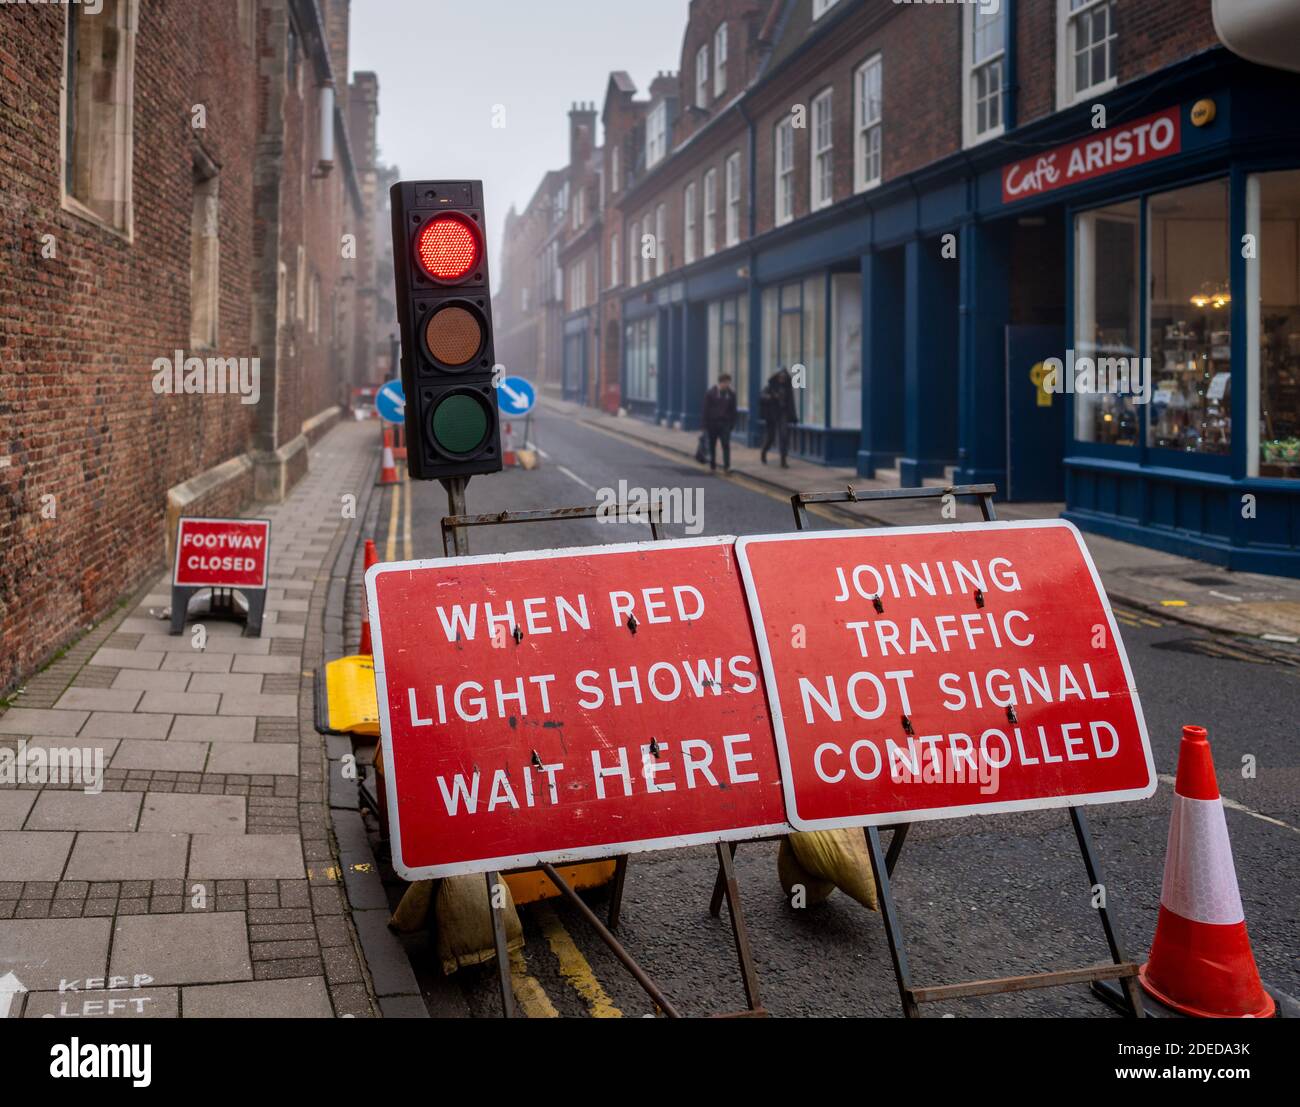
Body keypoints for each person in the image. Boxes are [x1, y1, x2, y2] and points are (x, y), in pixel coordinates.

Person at [760, 368, 797, 467]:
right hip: (772, 414)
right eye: (780, 377)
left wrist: (793, 416)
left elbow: (791, 403)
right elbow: (762, 396)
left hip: (783, 413)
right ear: (776, 377)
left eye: (784, 377)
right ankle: (764, 452)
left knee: (784, 437)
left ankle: (783, 460)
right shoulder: (770, 387)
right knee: (771, 437)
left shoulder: (788, 388)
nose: (782, 379)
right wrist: (771, 397)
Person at [702, 373, 738, 472]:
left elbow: (733, 410)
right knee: (712, 445)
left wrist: (732, 424)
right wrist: (704, 425)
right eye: (725, 383)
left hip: (725, 423)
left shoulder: (731, 394)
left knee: (726, 444)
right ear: (720, 382)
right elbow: (706, 409)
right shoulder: (710, 393)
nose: (727, 385)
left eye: (728, 383)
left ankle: (727, 466)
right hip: (712, 423)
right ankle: (712, 464)